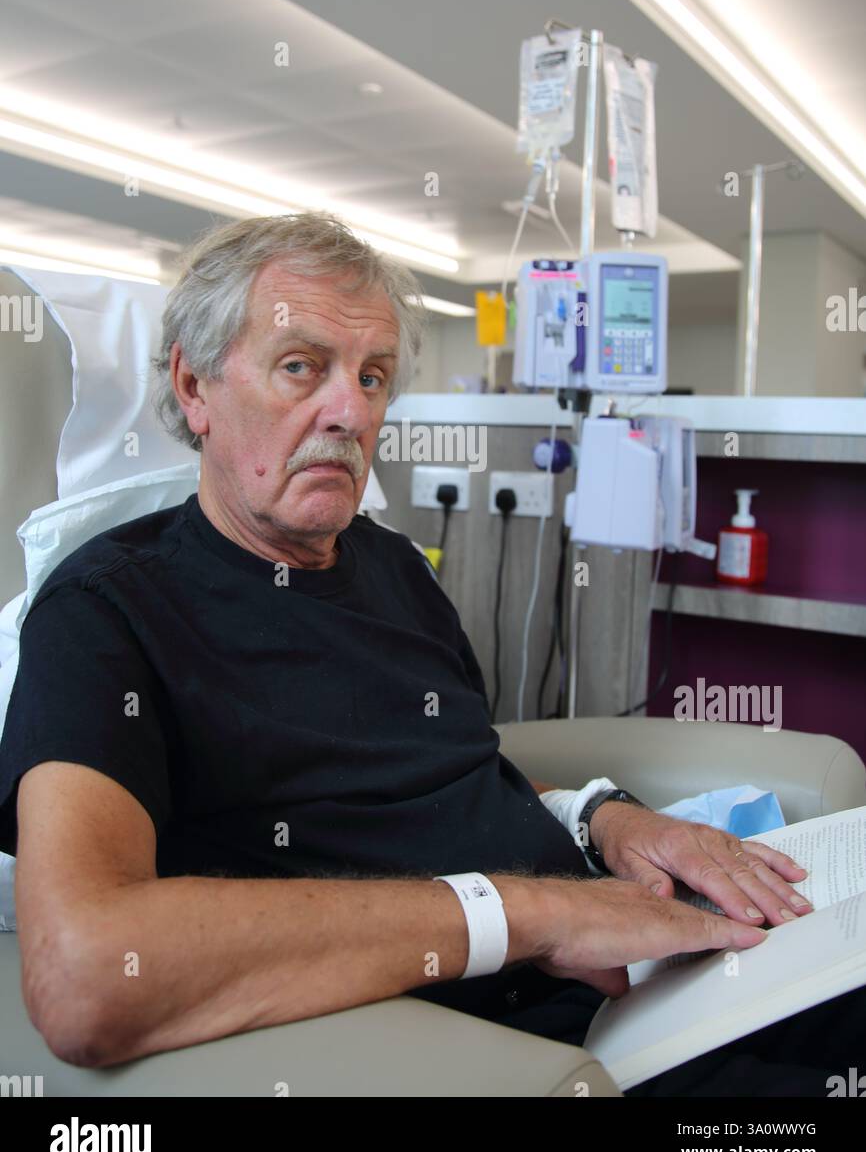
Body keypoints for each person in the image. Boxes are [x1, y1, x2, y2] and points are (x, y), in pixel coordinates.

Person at [0, 211, 861, 1093]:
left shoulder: (395, 568)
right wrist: (536, 914)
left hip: (632, 971)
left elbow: (465, 774)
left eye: (372, 377)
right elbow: (88, 973)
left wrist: (607, 817)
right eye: (302, 367)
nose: (350, 411)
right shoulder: (107, 611)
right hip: (508, 1049)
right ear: (194, 387)